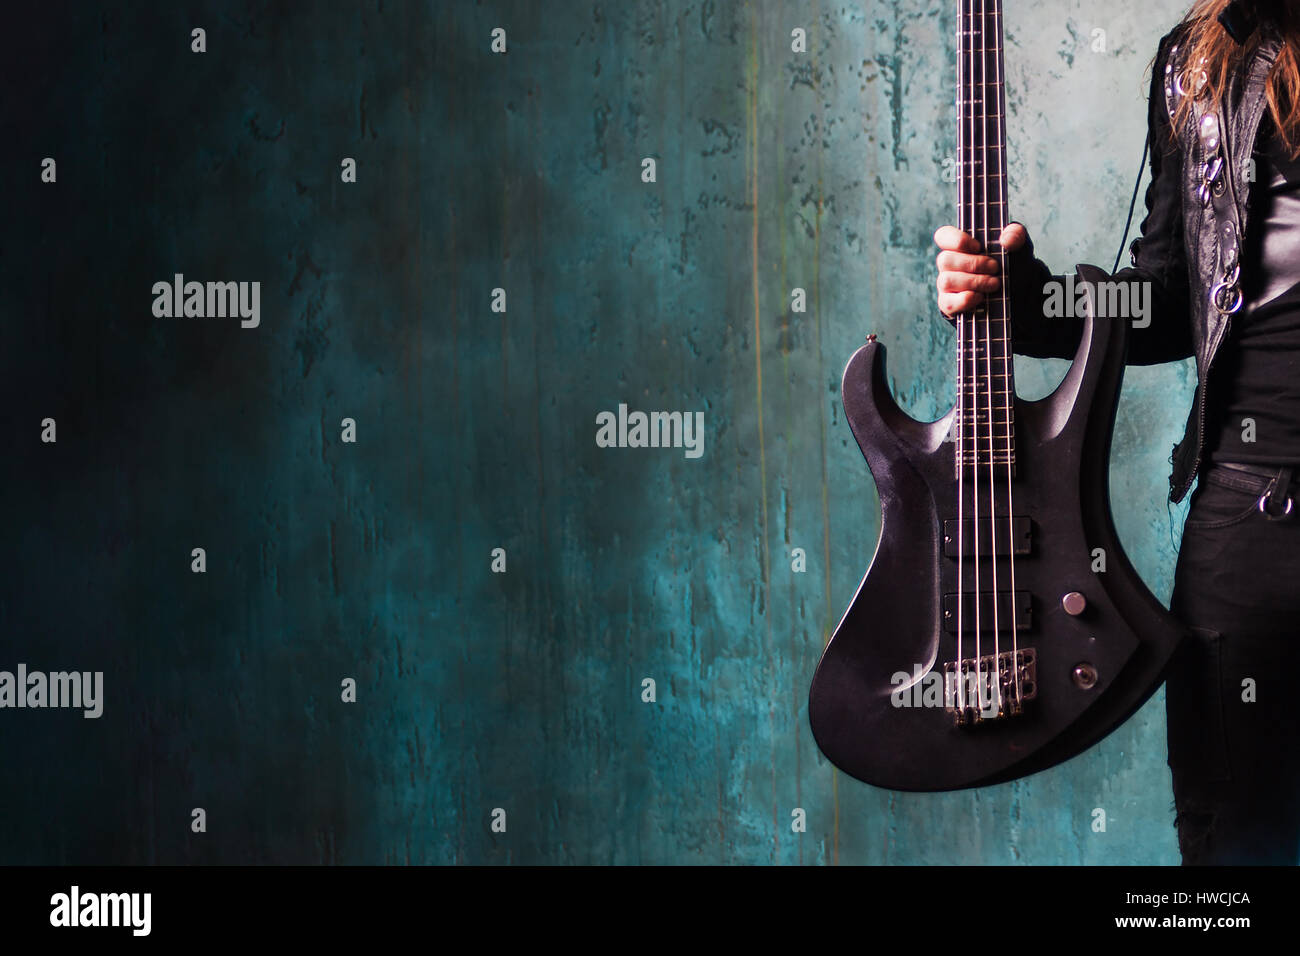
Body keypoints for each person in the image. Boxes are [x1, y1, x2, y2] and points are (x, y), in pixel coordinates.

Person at [933, 0, 1300, 865]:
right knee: (1235, 856)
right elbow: (1167, 299)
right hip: (1247, 529)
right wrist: (1030, 299)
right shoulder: (1197, 62)